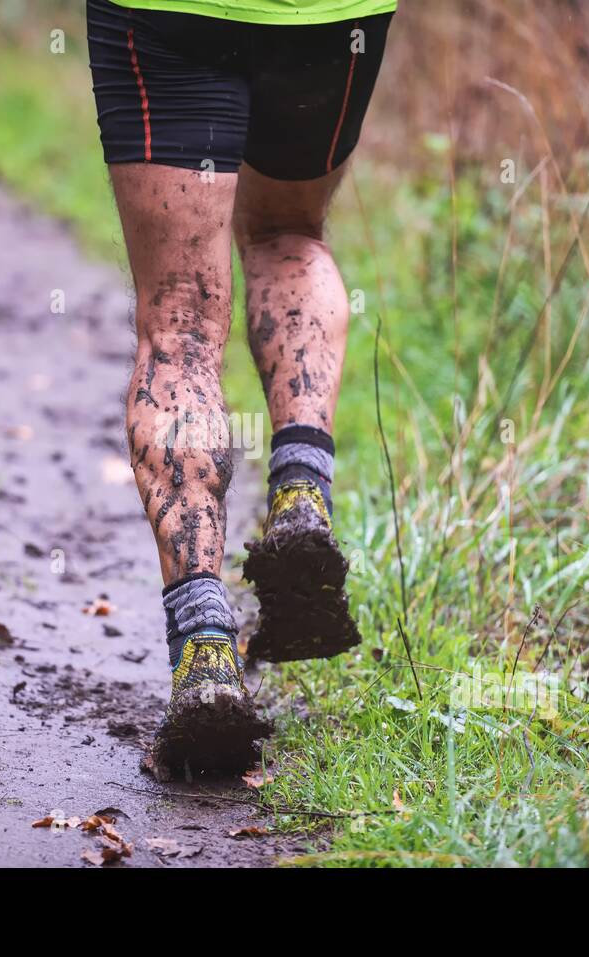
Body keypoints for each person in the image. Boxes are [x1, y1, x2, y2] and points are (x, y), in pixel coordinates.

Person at [86, 0, 396, 775]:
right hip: (329, 15)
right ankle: (301, 494)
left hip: (166, 14)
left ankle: (205, 653)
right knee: (291, 234)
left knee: (180, 321)